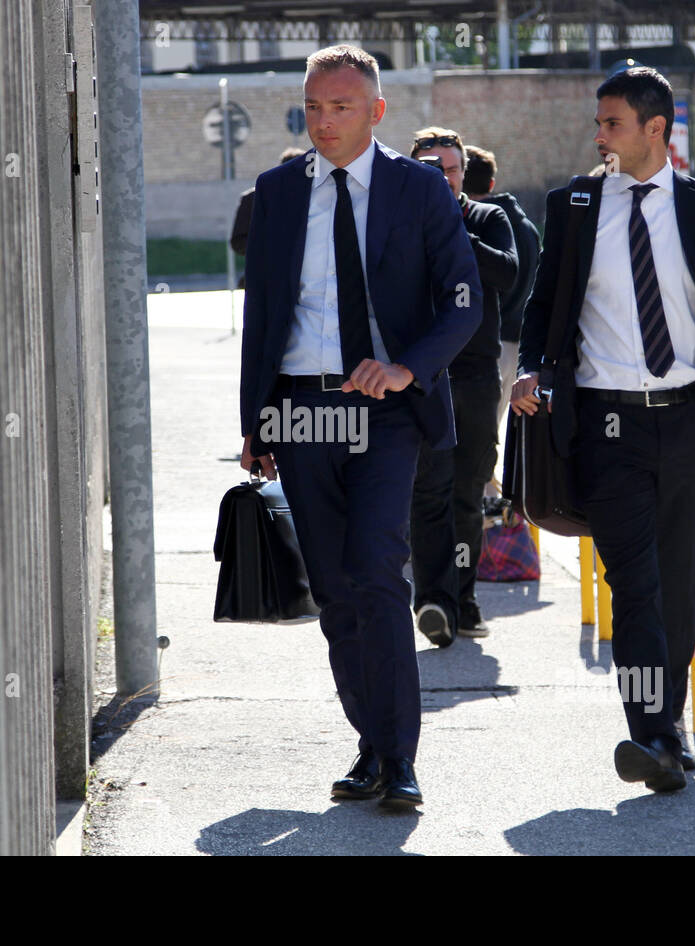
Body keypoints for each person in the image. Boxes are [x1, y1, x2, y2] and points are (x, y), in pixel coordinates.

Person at [510, 66, 695, 793]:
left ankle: (663, 734)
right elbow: (544, 304)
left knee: (676, 574)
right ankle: (654, 732)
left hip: (691, 416)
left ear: (655, 129)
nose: (598, 135)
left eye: (612, 124)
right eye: (599, 123)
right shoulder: (574, 206)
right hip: (605, 422)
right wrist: (533, 368)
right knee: (631, 581)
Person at [239, 45, 481, 809]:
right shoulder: (278, 192)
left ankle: (401, 759)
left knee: (378, 572)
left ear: (376, 111)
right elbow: (263, 315)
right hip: (304, 409)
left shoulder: (417, 190)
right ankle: (372, 743)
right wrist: (256, 420)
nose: (324, 121)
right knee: (337, 591)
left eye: (340, 107)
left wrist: (407, 366)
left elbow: (464, 300)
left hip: (384, 413)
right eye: (313, 107)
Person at [408, 129, 517, 642]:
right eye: (431, 169)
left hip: (473, 378)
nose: (442, 177)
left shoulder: (486, 218)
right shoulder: (397, 218)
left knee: (467, 495)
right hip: (414, 377)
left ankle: (463, 598)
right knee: (423, 493)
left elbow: (508, 275)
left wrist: (452, 224)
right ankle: (433, 599)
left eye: (449, 169)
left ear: (463, 173)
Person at [462, 145, 540, 433]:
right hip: (518, 341)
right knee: (490, 432)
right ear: (491, 182)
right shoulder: (527, 227)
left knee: (479, 434)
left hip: (489, 343)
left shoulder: (486, 224)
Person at [229, 147, 307, 287]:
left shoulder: (313, 197)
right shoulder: (254, 198)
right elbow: (238, 241)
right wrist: (271, 247)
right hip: (265, 278)